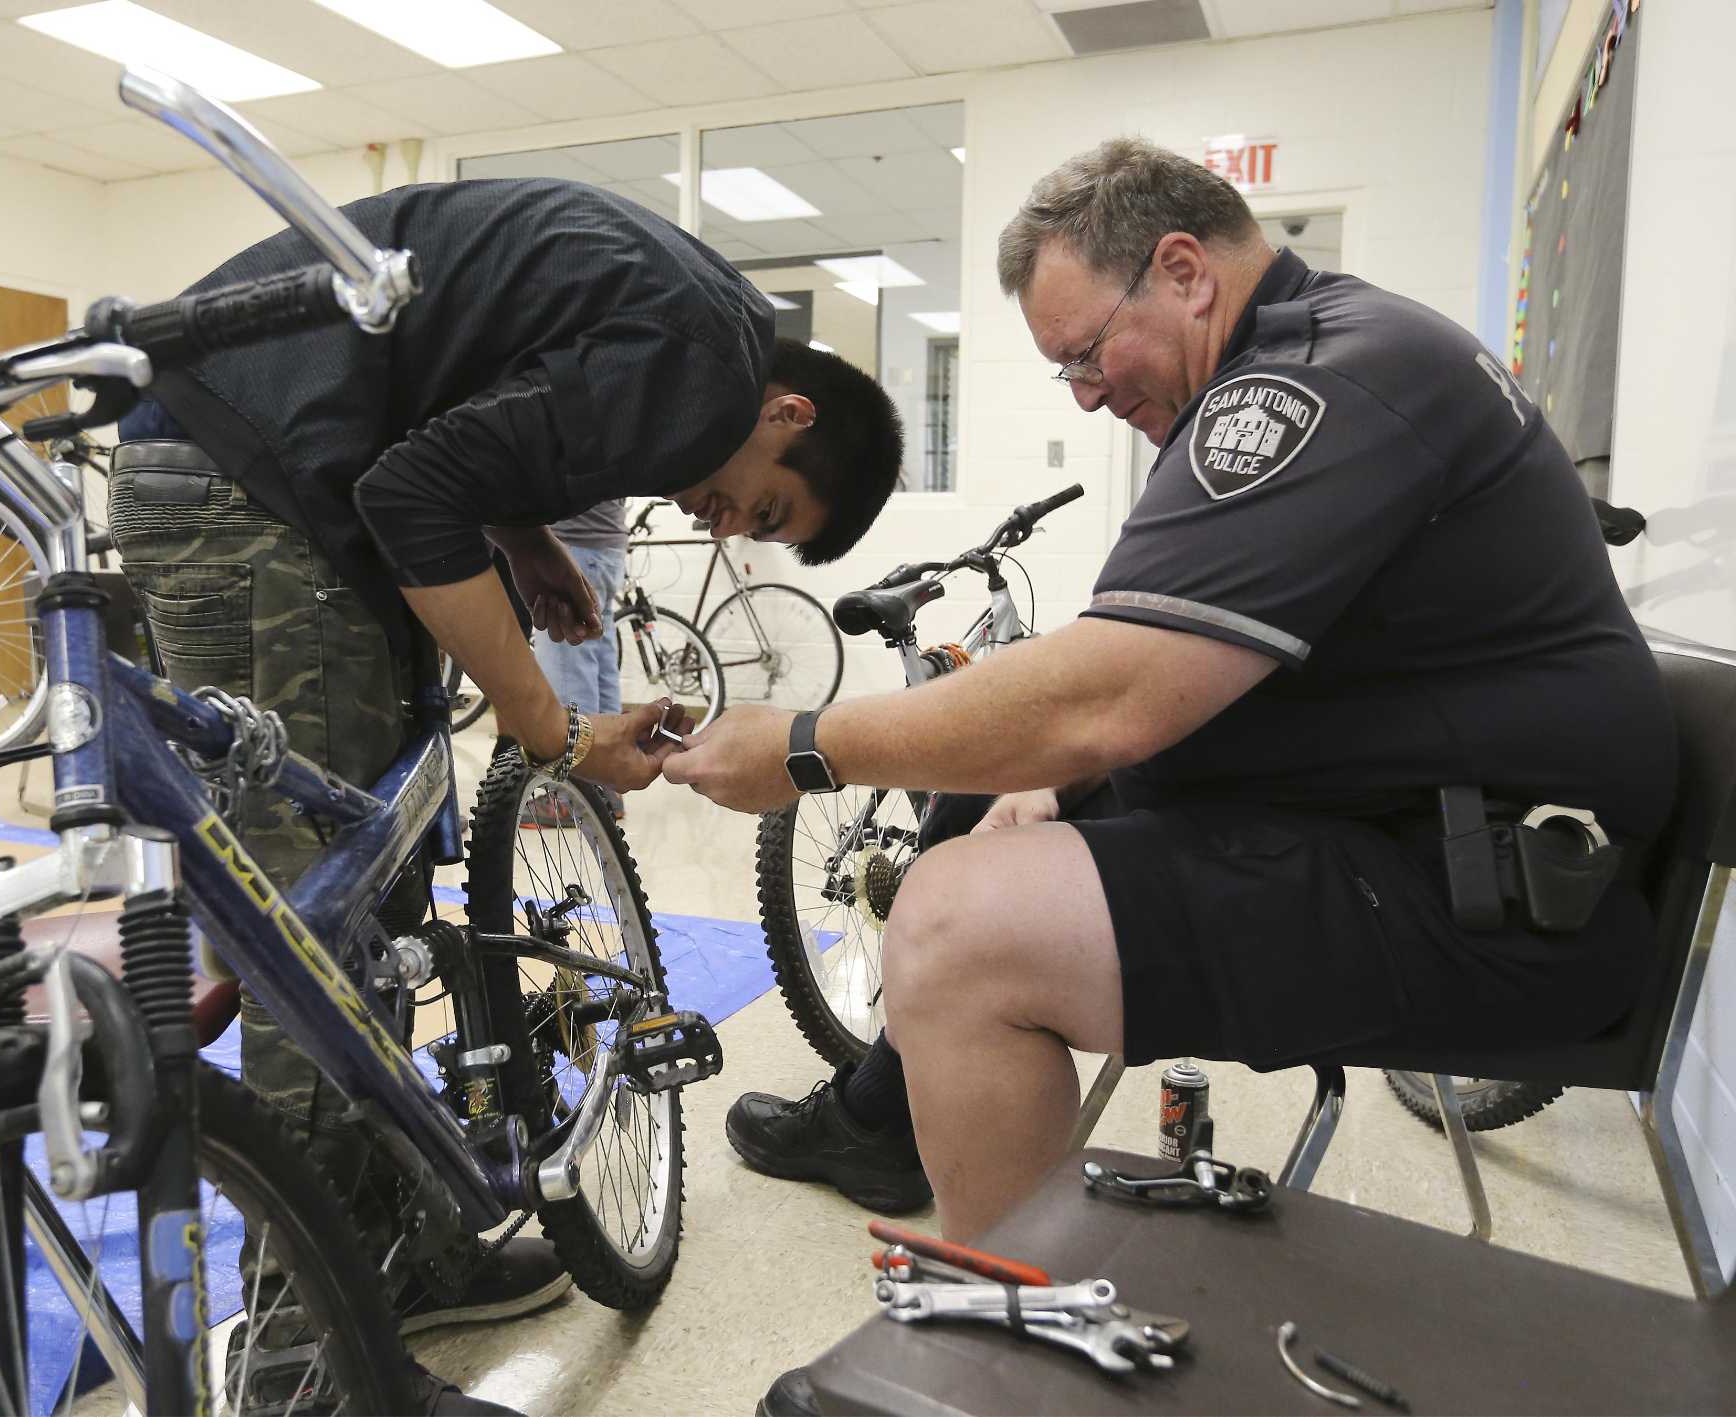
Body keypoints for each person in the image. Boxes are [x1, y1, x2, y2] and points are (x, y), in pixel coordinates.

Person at [666, 136, 1674, 1414]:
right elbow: (1155, 670)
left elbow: (1111, 692)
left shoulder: (1311, 387)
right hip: (1447, 849)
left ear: (1183, 271)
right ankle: (923, 1178)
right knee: (996, 801)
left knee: (958, 924)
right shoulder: (1318, 359)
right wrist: (1057, 771)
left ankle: (1001, 1373)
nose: (1083, 393)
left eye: (1086, 353)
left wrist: (807, 745)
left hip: (1484, 902)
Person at [106, 176, 904, 1413]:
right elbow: (409, 492)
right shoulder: (697, 369)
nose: (719, 519)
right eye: (762, 502)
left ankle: (391, 1250)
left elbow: (475, 391)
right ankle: (296, 1354)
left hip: (266, 465)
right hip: (249, 481)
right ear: (786, 410)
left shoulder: (702, 324)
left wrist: (523, 534)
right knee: (313, 927)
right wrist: (552, 724)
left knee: (376, 887)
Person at [521, 500, 630, 827]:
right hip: (605, 546)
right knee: (600, 671)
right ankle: (606, 789)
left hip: (573, 547)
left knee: (568, 679)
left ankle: (571, 796)